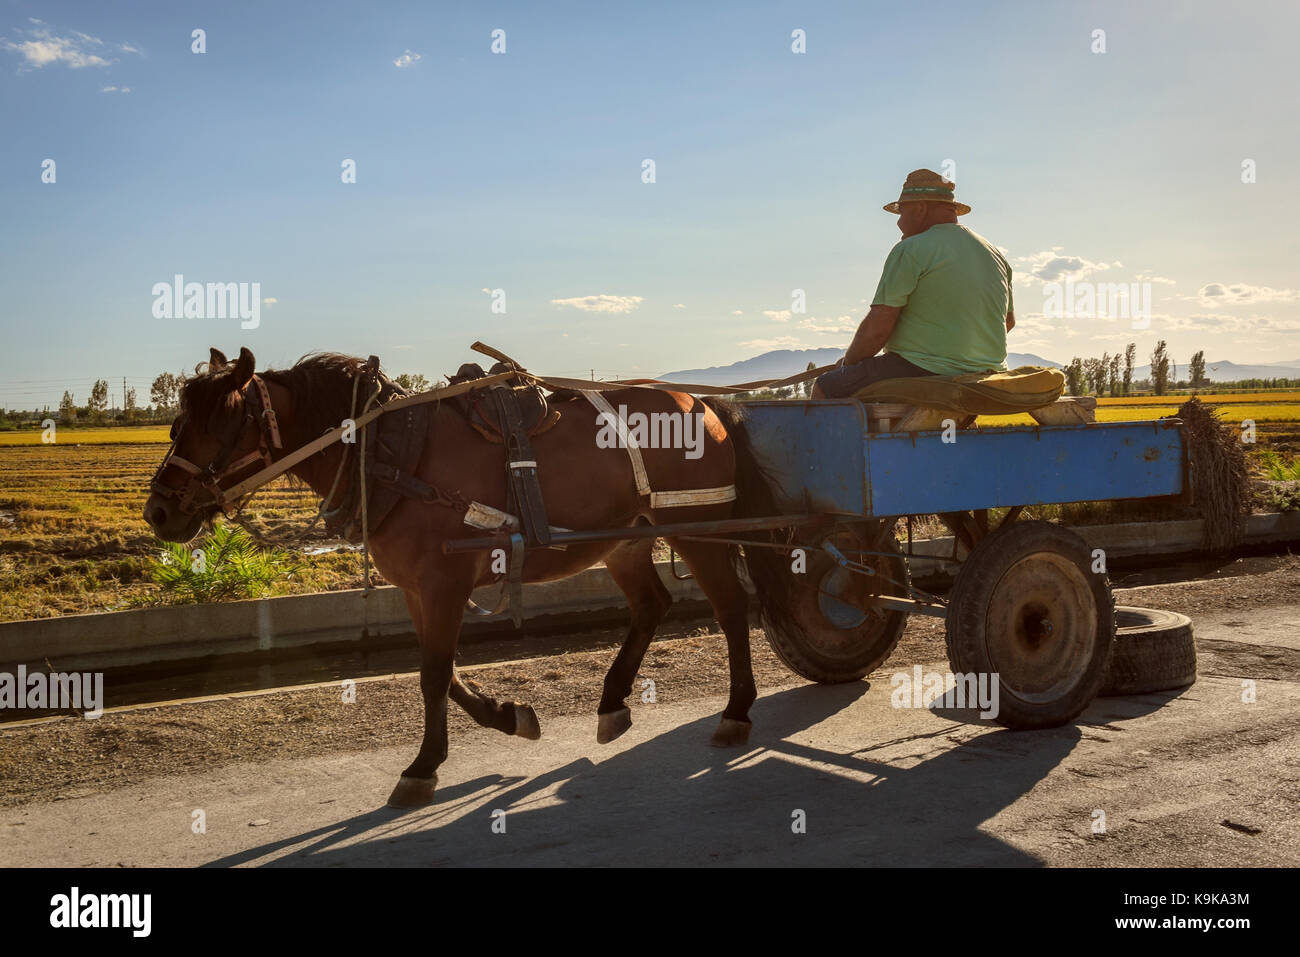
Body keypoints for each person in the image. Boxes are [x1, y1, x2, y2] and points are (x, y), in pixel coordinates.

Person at [813, 169, 1015, 399]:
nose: (899, 223)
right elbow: (1007, 322)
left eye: (902, 212)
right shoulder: (994, 253)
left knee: (826, 386)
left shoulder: (911, 249)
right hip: (988, 371)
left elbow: (877, 329)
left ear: (919, 209)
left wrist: (847, 365)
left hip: (923, 370)